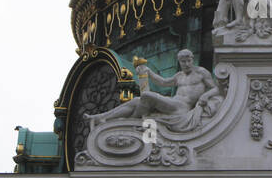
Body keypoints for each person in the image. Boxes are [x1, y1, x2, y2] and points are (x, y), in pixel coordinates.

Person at [92, 49, 220, 128]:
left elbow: (217, 89)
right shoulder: (179, 76)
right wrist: (148, 71)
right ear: (179, 62)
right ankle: (103, 117)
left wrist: (206, 95)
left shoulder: (201, 72)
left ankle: (131, 121)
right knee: (137, 100)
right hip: (173, 102)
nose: (186, 64)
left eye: (188, 61)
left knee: (147, 96)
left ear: (192, 60)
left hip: (181, 108)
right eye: (183, 61)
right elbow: (163, 82)